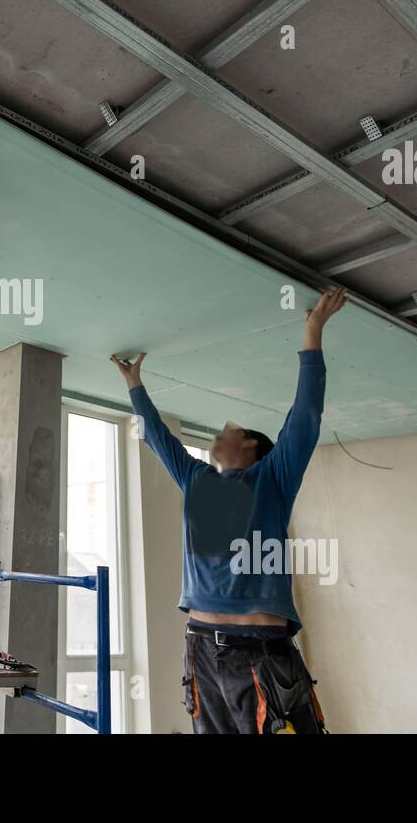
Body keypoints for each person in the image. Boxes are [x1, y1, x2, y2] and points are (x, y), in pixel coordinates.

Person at [110, 287, 347, 734]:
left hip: (260, 650)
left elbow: (305, 417)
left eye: (233, 430)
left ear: (255, 448)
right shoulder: (197, 479)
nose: (223, 431)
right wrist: (134, 385)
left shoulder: (273, 478)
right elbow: (157, 438)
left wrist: (312, 331)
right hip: (200, 647)